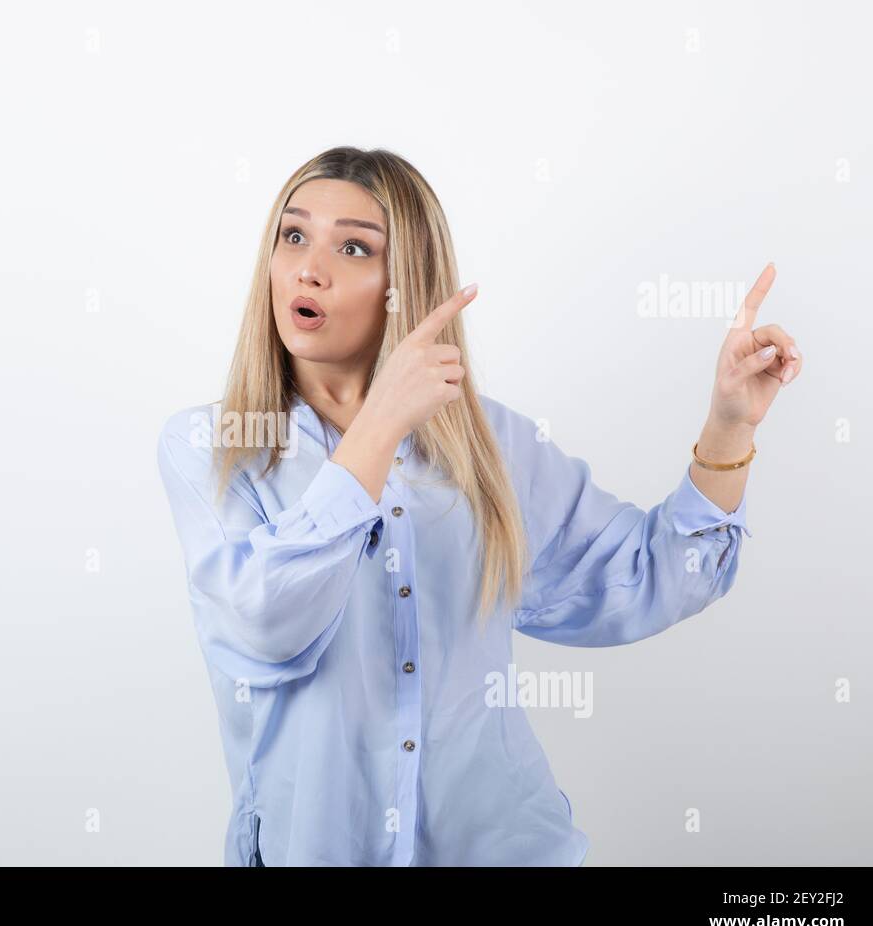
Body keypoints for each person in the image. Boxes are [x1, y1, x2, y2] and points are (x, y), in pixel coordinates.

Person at [155, 146, 802, 867]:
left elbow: (651, 575)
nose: (309, 268)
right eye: (294, 235)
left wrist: (729, 424)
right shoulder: (210, 448)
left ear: (406, 283)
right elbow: (264, 628)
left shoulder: (491, 445)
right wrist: (377, 429)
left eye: (354, 247)